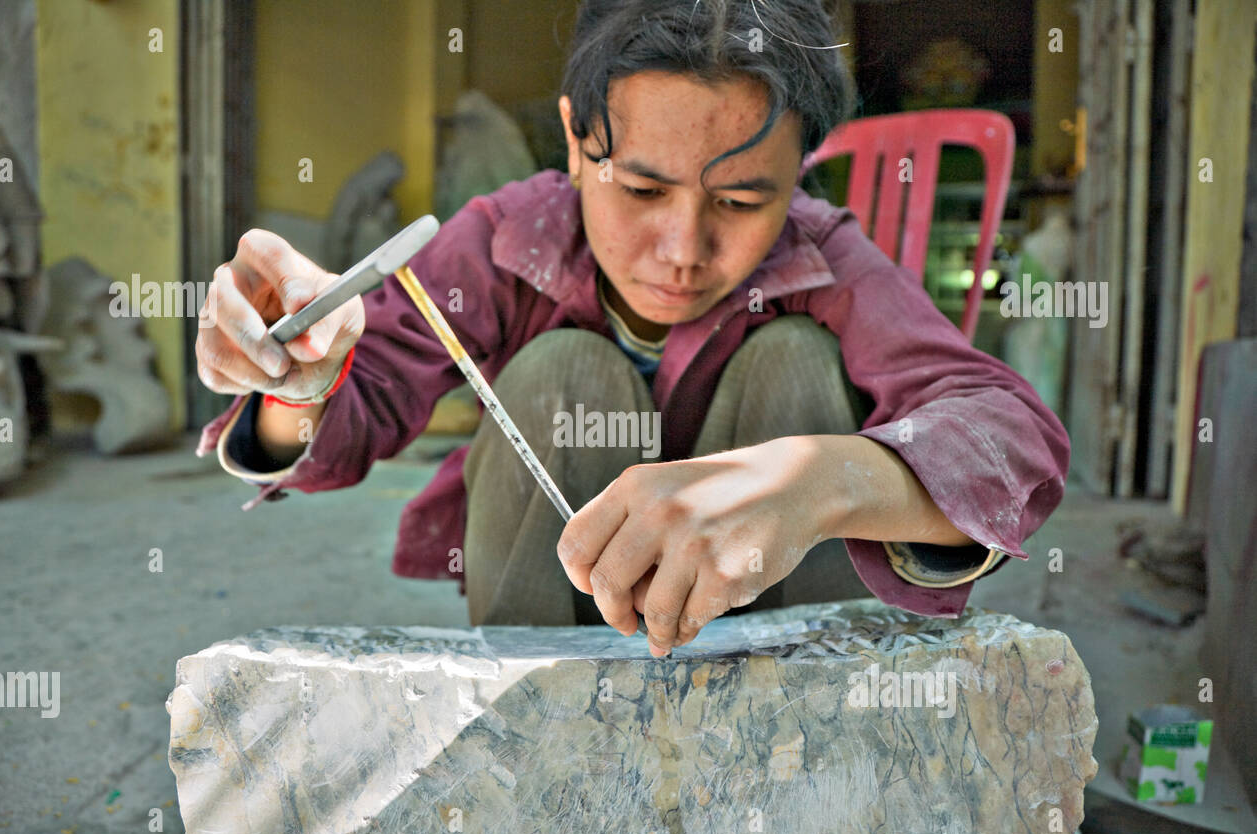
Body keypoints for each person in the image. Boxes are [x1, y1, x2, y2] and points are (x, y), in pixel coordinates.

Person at [194, 0, 1069, 659]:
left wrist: (816, 481)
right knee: (557, 373)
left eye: (740, 199)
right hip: (555, 644)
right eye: (642, 192)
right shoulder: (507, 240)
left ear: (801, 168)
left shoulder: (823, 258)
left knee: (795, 360)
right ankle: (536, 751)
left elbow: (1008, 431)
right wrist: (297, 377)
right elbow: (357, 403)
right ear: (577, 141)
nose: (683, 249)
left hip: (780, 684)